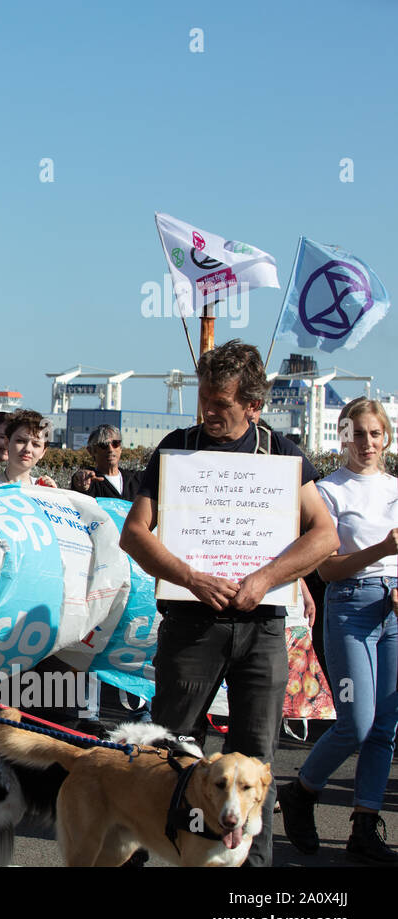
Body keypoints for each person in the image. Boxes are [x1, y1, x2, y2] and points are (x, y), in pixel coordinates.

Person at [119, 340, 339, 867]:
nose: (208, 412)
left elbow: (325, 536)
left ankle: (252, 876)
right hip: (191, 625)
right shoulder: (176, 448)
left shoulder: (283, 453)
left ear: (253, 406)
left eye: (220, 403)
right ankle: (157, 853)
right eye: (204, 399)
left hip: (262, 627)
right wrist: (192, 578)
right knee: (171, 751)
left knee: (258, 756)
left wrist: (265, 578)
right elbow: (134, 534)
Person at [279, 398, 398, 864]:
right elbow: (325, 571)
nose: (366, 443)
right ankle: (303, 791)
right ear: (343, 436)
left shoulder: (396, 488)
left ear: (386, 436)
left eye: (375, 433)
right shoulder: (329, 491)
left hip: (393, 608)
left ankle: (364, 825)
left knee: (386, 726)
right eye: (357, 433)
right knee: (357, 722)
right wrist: (380, 550)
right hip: (351, 605)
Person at [0, 409, 58, 488]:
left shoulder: (43, 489)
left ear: (43, 452)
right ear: (7, 443)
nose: (27, 449)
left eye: (36, 444)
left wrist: (53, 494)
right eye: (20, 441)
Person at [71, 424, 141, 499]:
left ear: (121, 448)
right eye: (104, 445)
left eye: (115, 443)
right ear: (92, 451)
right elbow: (79, 486)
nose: (110, 449)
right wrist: (79, 480)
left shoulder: (136, 479)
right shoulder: (90, 481)